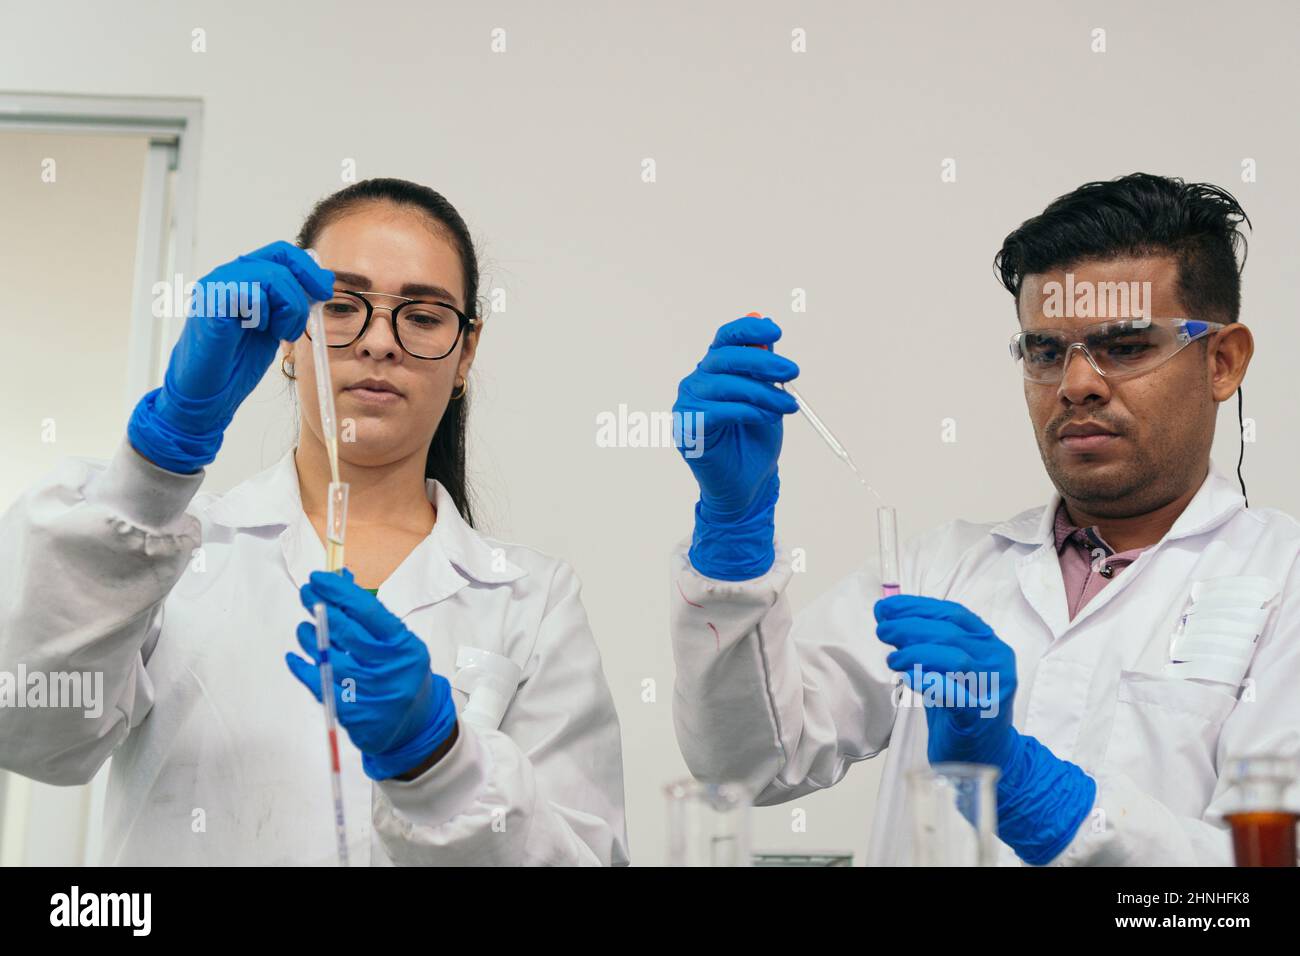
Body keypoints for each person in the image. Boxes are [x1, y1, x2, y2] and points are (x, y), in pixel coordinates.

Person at [668, 173, 1300, 865]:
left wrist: (1028, 788)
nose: (1076, 383)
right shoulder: (940, 570)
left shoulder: (1281, 581)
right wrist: (733, 534)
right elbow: (751, 764)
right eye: (1045, 350)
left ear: (1222, 361)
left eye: (1125, 345)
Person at [0, 178, 628, 866]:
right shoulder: (180, 552)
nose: (380, 342)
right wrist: (158, 461)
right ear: (288, 340)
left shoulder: (530, 602)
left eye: (421, 316)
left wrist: (439, 760)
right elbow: (33, 729)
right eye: (341, 306)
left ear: (465, 355)